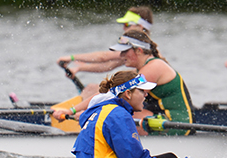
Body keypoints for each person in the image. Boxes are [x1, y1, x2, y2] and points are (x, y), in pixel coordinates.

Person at [54, 30, 195, 136]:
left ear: (139, 51)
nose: (120, 56)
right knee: (115, 113)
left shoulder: (154, 67)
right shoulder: (144, 67)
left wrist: (74, 111)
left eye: (124, 52)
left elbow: (112, 93)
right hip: (159, 117)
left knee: (117, 115)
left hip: (177, 125)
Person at [73, 71, 194, 158]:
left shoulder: (101, 110)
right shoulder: (119, 115)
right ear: (128, 94)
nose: (146, 95)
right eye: (142, 91)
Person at [57, 6, 154, 82]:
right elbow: (108, 66)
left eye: (127, 24)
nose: (123, 28)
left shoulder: (140, 47)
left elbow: (104, 57)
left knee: (94, 90)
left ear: (140, 26)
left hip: (151, 98)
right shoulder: (135, 50)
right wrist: (78, 69)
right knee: (91, 88)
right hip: (146, 93)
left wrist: (72, 57)